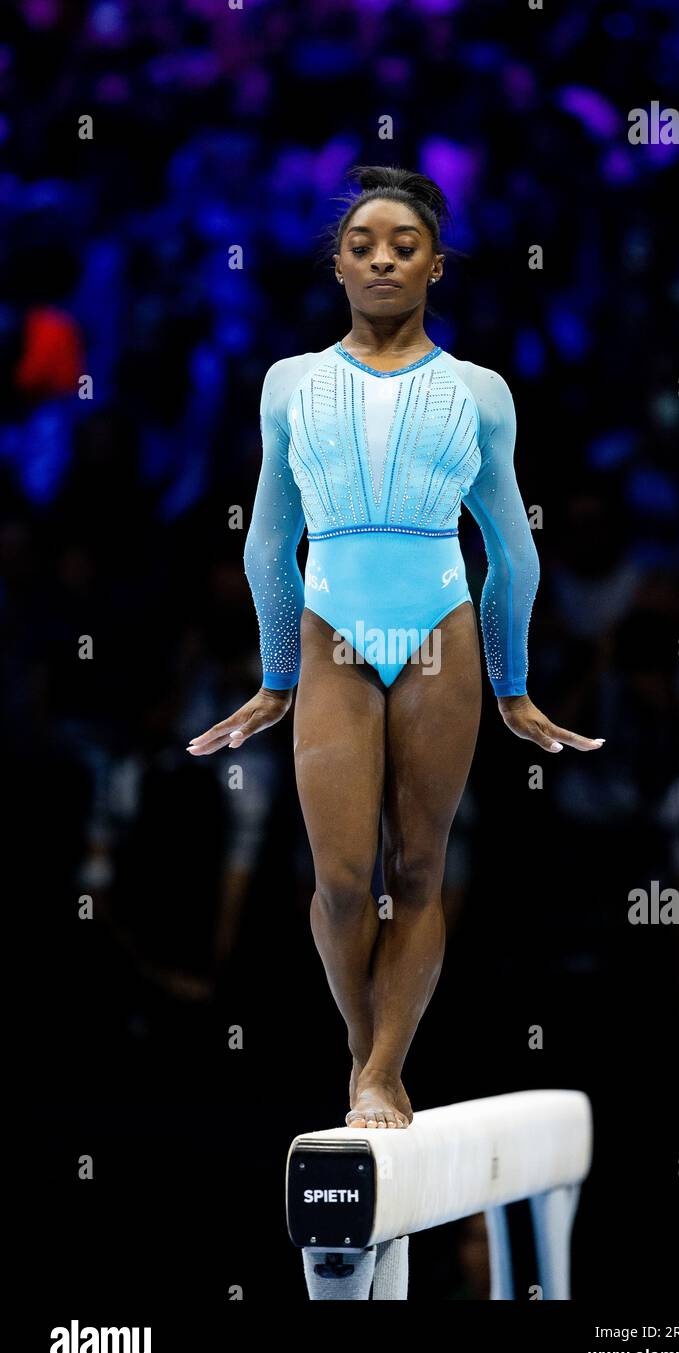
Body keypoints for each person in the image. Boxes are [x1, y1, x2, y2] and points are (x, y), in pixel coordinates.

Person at [187, 166, 605, 1129]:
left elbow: (512, 548)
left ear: (435, 267)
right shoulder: (291, 382)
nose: (382, 256)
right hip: (334, 631)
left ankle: (384, 1069)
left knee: (417, 868)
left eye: (404, 245)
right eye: (363, 243)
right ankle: (356, 1047)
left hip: (437, 629)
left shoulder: (479, 391)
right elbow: (266, 539)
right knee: (340, 878)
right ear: (336, 263)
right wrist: (276, 673)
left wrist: (514, 686)